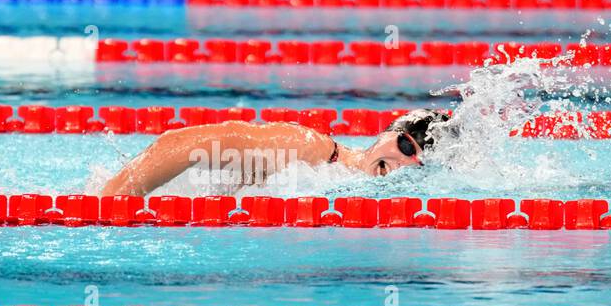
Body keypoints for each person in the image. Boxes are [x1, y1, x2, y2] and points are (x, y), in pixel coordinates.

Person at [99, 108, 451, 197]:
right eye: (406, 145)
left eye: (416, 164)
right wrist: (113, 202)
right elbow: (178, 145)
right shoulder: (312, 151)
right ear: (386, 134)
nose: (403, 162)